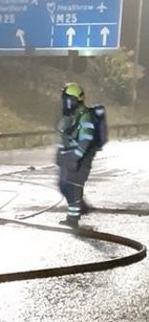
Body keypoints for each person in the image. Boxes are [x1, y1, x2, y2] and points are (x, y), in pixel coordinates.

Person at [56, 82, 99, 228]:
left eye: (68, 99)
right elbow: (65, 137)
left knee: (73, 186)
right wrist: (60, 153)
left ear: (76, 100)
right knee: (64, 185)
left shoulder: (85, 116)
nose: (65, 102)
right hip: (70, 156)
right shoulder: (72, 115)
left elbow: (86, 139)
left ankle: (73, 219)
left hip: (81, 158)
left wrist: (76, 157)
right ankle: (77, 210)